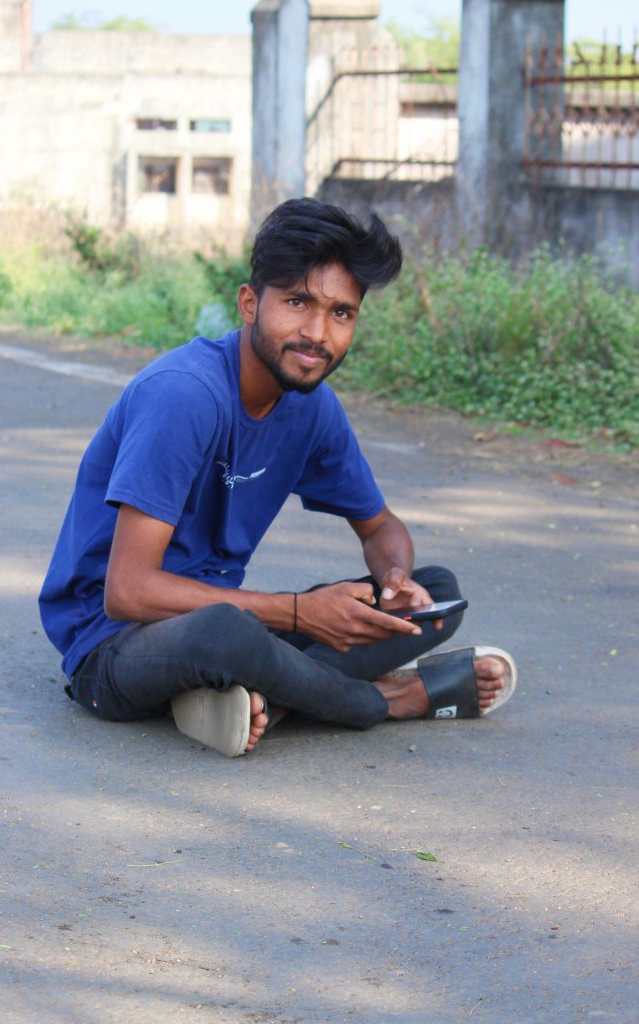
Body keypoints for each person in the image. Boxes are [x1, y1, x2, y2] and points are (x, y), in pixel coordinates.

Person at [39, 198, 516, 757]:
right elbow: (127, 592)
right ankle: (387, 700)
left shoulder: (312, 408)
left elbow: (380, 525)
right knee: (226, 632)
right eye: (297, 302)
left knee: (435, 593)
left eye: (341, 313)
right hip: (114, 646)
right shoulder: (185, 396)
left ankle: (265, 698)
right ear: (249, 303)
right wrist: (298, 613)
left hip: (235, 625)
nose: (317, 333)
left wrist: (393, 580)